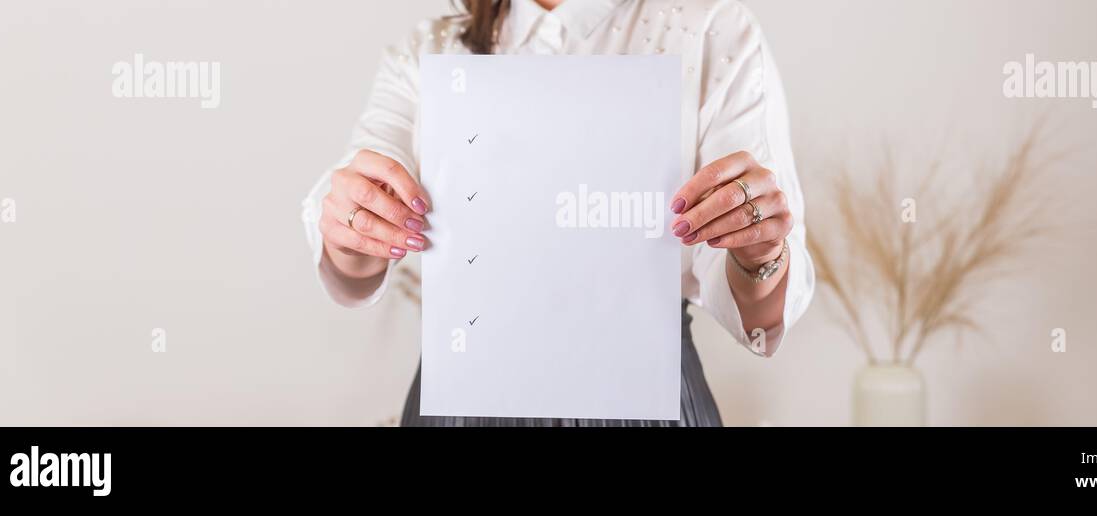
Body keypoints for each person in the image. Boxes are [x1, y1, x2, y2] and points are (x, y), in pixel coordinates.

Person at [300, 0, 814, 426]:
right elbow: (353, 270)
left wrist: (761, 251)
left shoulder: (712, 31)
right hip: (462, 400)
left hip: (646, 399)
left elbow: (760, 320)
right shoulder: (429, 49)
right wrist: (354, 230)